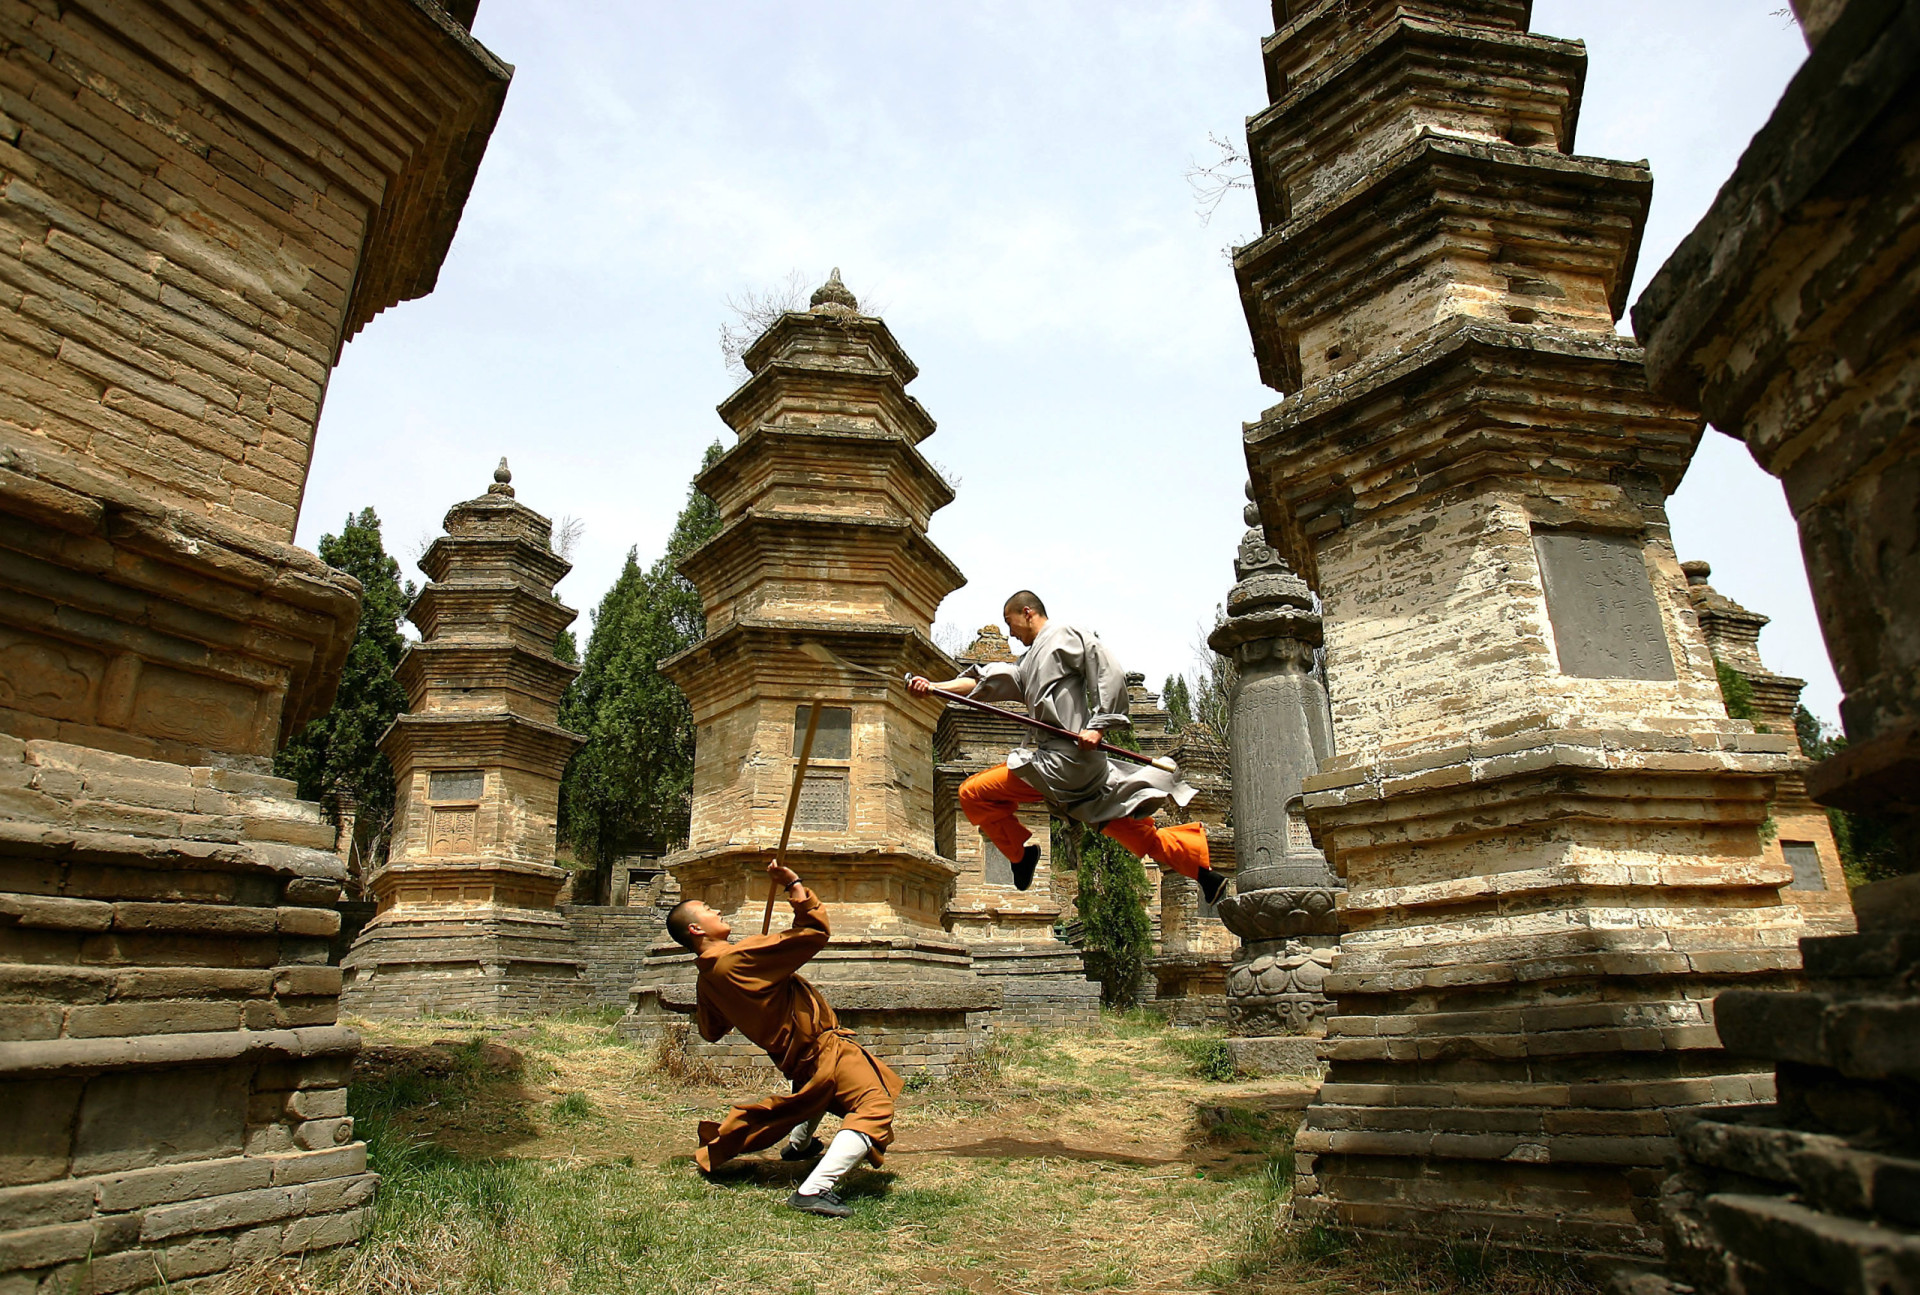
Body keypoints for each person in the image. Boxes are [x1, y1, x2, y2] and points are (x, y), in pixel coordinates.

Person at [908, 590, 1227, 904]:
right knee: (1136, 833)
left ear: (1027, 613)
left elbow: (1106, 667)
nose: (1011, 632)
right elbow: (983, 681)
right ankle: (1204, 874)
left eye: (1010, 622)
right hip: (1077, 774)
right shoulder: (1026, 663)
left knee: (973, 793)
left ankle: (1021, 856)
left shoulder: (1063, 635)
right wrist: (934, 687)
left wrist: (1099, 724)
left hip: (1065, 763)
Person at [666, 861, 903, 1218]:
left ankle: (799, 1146)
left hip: (797, 1059)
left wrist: (748, 998)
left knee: (815, 1093)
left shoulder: (709, 979)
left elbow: (712, 1030)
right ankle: (813, 1190)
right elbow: (814, 932)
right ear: (697, 928)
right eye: (709, 909)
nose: (717, 911)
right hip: (823, 1050)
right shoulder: (737, 958)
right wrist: (794, 884)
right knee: (875, 1109)